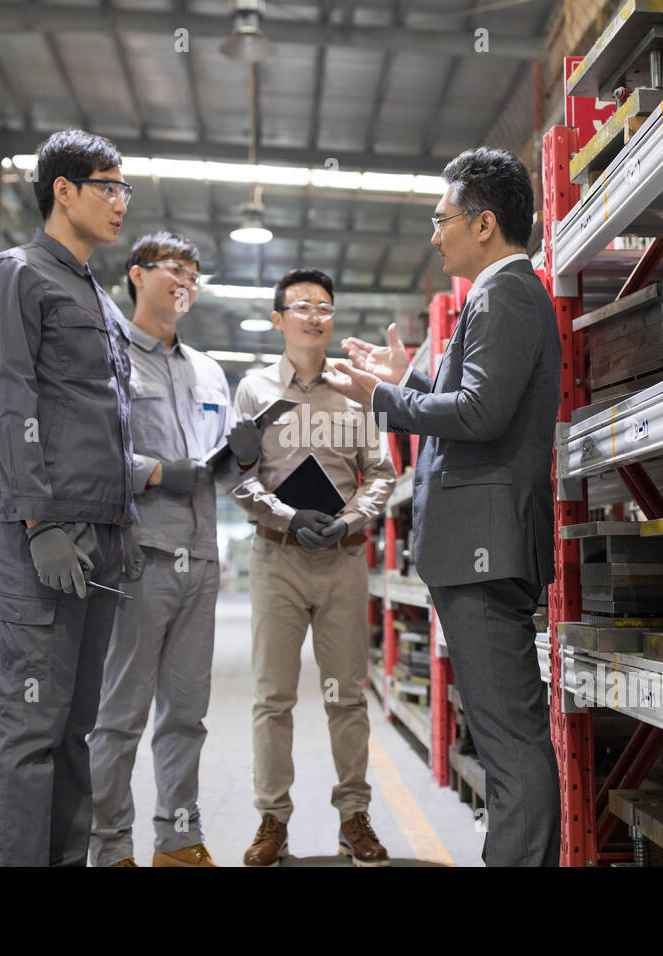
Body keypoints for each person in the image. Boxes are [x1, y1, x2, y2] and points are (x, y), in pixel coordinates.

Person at [325, 147, 562, 867]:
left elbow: (483, 413)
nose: (436, 233)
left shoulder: (507, 294)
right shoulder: (498, 298)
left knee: (510, 739)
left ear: (484, 224)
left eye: (444, 218)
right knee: (502, 734)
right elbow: (479, 400)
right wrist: (414, 377)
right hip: (479, 546)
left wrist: (386, 399)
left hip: (486, 550)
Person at [0, 129, 140, 867]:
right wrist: (39, 520)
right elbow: (9, 402)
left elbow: (110, 417)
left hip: (99, 537)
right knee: (30, 724)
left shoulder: (98, 297)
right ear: (62, 190)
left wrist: (122, 520)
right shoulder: (16, 275)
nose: (120, 202)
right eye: (107, 186)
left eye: (124, 189)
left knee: (78, 726)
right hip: (39, 534)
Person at [88, 231, 262, 868]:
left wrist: (241, 458)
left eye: (194, 271)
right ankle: (109, 851)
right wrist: (161, 474)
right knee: (120, 716)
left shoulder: (211, 371)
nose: (185, 280)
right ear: (137, 275)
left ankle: (178, 841)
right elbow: (96, 456)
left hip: (202, 561)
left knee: (186, 715)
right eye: (173, 269)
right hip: (140, 557)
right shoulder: (109, 360)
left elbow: (221, 472)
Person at [232, 268, 397, 866]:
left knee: (346, 695)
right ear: (279, 320)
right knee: (273, 698)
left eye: (324, 306)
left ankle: (354, 815)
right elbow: (237, 475)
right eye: (300, 306)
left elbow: (381, 472)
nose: (314, 315)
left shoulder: (355, 390)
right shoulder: (254, 392)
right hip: (276, 560)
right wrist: (284, 514)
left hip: (342, 561)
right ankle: (271, 820)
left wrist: (350, 521)